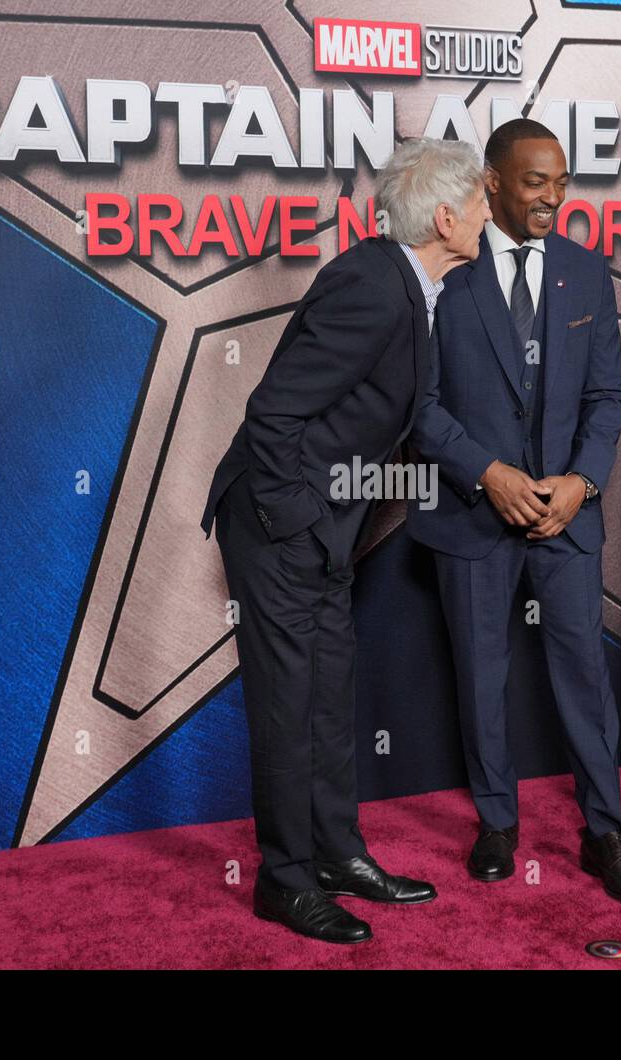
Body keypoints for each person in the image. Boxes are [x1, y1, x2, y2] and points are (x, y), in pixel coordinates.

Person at [200, 137, 491, 943]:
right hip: (278, 524)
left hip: (323, 529)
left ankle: (335, 853)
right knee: (290, 705)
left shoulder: (414, 287)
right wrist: (299, 522)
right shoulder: (370, 283)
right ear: (445, 217)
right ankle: (284, 880)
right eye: (478, 206)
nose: (486, 218)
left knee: (328, 695)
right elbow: (275, 413)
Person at [406, 119, 621, 906]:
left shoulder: (587, 274)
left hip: (566, 519)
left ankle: (605, 831)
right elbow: (418, 403)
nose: (553, 196)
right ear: (491, 183)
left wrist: (581, 480)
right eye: (534, 182)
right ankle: (496, 824)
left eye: (561, 180)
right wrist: (488, 474)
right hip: (470, 516)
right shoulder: (445, 270)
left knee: (585, 677)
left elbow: (609, 395)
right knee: (481, 679)